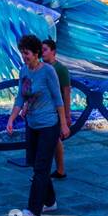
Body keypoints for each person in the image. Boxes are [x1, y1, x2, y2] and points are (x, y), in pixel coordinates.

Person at [6, 34, 71, 216]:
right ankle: (50, 201)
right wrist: (11, 118)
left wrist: (64, 123)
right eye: (22, 53)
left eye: (27, 53)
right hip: (32, 124)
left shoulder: (48, 71)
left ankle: (34, 210)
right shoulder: (23, 71)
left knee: (41, 167)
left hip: (49, 124)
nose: (24, 57)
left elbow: (58, 98)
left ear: (36, 54)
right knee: (35, 164)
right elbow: (20, 97)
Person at [41, 37, 72, 177]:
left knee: (54, 139)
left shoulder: (60, 69)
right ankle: (57, 169)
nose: (43, 53)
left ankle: (60, 169)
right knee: (52, 139)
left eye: (45, 50)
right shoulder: (41, 67)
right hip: (45, 109)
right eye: (41, 50)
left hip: (56, 109)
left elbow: (66, 92)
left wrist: (67, 114)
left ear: (53, 51)